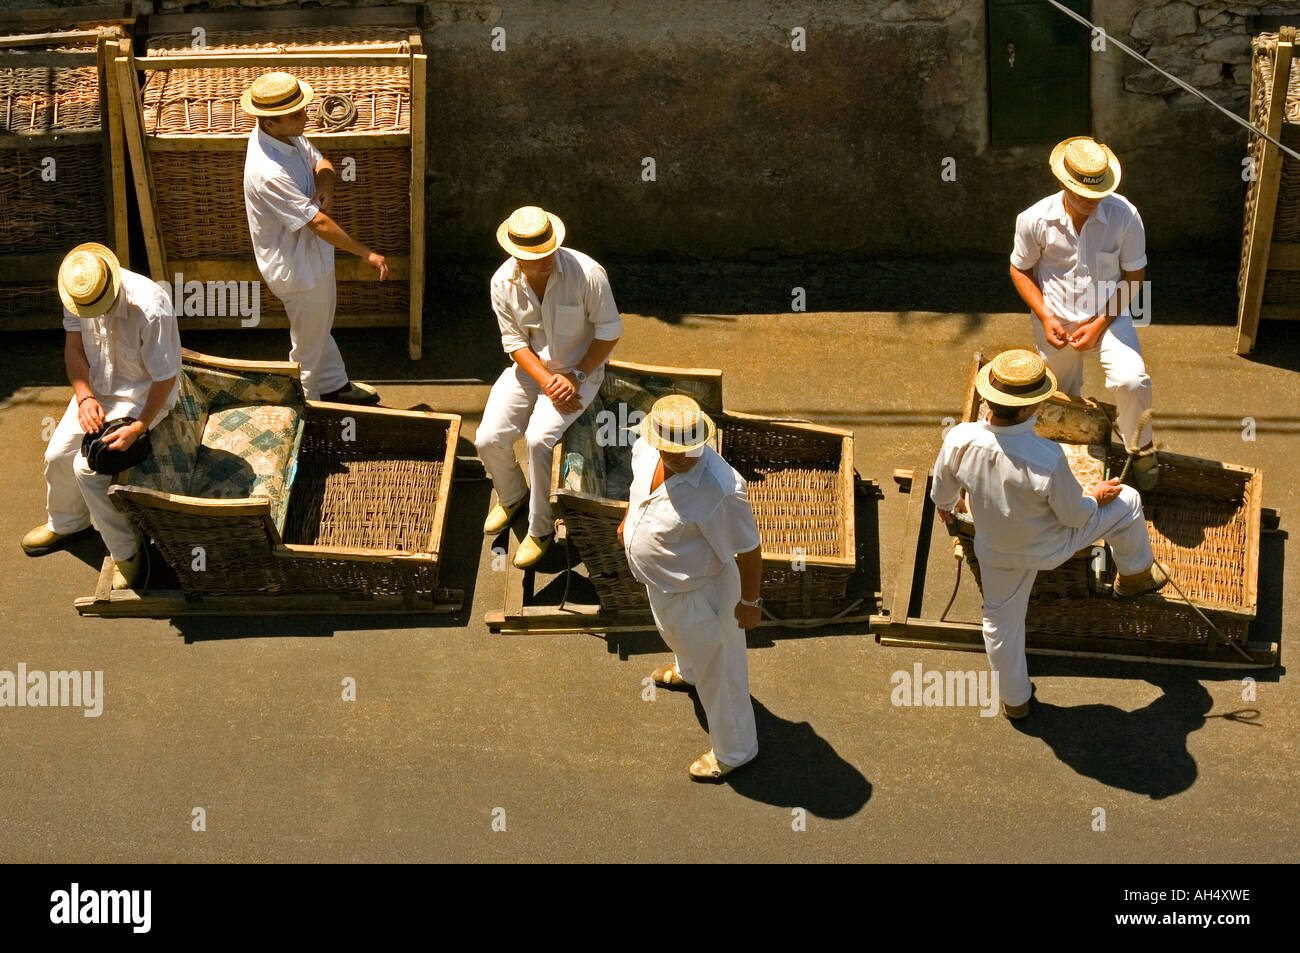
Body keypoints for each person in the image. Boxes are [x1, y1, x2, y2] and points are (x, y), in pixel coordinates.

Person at [931, 349, 1170, 720]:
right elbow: (1074, 517)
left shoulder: (960, 438)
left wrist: (949, 506)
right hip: (1050, 548)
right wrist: (1095, 496)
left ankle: (1015, 701)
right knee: (1129, 500)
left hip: (996, 551)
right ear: (1026, 409)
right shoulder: (1048, 456)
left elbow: (942, 495)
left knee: (998, 625)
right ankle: (1135, 575)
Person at [617, 395, 764, 781]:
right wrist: (627, 520)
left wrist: (750, 602)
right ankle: (688, 671)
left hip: (703, 596)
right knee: (676, 637)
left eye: (688, 448)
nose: (681, 457)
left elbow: (749, 549)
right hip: (664, 587)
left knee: (723, 675)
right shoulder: (646, 448)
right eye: (672, 448)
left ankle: (735, 750)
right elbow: (637, 490)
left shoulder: (723, 488)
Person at [22, 243, 181, 590]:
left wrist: (139, 426)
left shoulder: (150, 306)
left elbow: (165, 377)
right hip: (97, 390)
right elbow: (75, 349)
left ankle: (127, 551)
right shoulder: (78, 291)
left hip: (142, 393)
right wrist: (84, 397)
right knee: (56, 454)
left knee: (88, 470)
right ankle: (68, 523)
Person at [475, 205, 622, 568]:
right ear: (515, 255)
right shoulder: (501, 282)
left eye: (548, 250)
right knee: (487, 438)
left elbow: (609, 332)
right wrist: (547, 381)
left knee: (539, 440)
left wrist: (575, 377)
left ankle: (540, 528)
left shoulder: (588, 273)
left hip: (580, 372)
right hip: (531, 373)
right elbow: (514, 343)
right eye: (534, 256)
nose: (545, 259)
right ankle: (511, 495)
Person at [1009, 136, 1158, 489]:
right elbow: (1019, 269)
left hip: (1111, 316)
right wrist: (1046, 316)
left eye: (1096, 194)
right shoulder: (1034, 220)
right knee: (1059, 398)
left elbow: (1135, 276)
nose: (1090, 201)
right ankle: (1061, 464)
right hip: (1056, 318)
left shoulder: (1125, 216)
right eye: (1080, 194)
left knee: (1131, 380)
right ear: (1062, 183)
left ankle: (1142, 447)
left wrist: (1099, 325)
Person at [241, 70, 386, 404]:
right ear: (270, 123)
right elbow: (318, 224)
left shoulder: (288, 135)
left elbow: (322, 161)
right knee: (307, 350)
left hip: (311, 260)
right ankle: (307, 411)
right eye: (297, 115)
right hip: (298, 270)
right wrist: (366, 253)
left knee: (318, 327)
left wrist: (325, 183)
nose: (306, 118)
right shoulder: (268, 171)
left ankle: (335, 385)